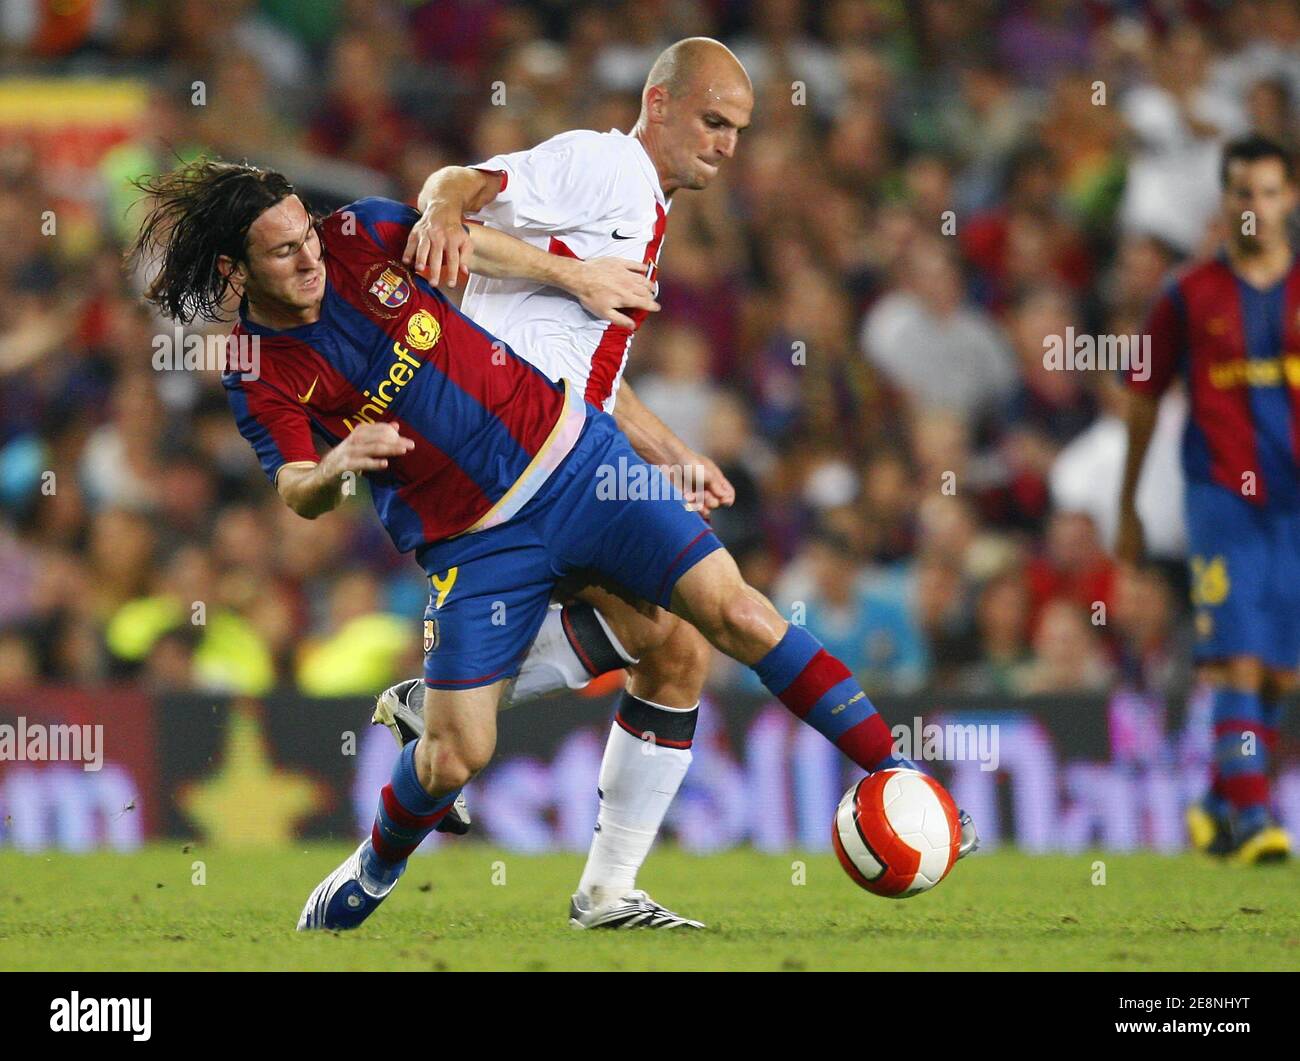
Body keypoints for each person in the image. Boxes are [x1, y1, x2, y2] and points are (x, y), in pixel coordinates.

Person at [128, 159, 977, 932]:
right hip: (475, 541)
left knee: (731, 614)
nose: (309, 258)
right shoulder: (257, 368)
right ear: (236, 270)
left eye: (305, 234)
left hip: (575, 461)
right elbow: (294, 490)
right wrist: (336, 465)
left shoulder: (356, 237)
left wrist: (571, 273)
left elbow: (467, 237)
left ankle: (900, 775)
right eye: (282, 252)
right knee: (460, 753)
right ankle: (375, 865)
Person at [374, 36, 751, 929]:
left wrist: (669, 450)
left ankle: (603, 887)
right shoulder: (604, 162)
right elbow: (453, 194)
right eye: (713, 119)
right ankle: (603, 888)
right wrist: (567, 270)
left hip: (560, 446)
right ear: (658, 103)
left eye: (737, 129)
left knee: (672, 644)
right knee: (688, 630)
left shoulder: (643, 208)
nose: (728, 143)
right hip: (514, 451)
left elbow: (599, 375)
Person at [1118, 134, 1298, 863]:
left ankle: (1219, 803)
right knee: (1238, 660)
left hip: (1293, 505)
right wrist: (1128, 504)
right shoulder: (1187, 294)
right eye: (1238, 192)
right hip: (1221, 497)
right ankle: (1256, 822)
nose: (1251, 206)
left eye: (1265, 191)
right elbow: (1141, 401)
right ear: (1222, 202)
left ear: (1289, 198)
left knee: (1284, 671)